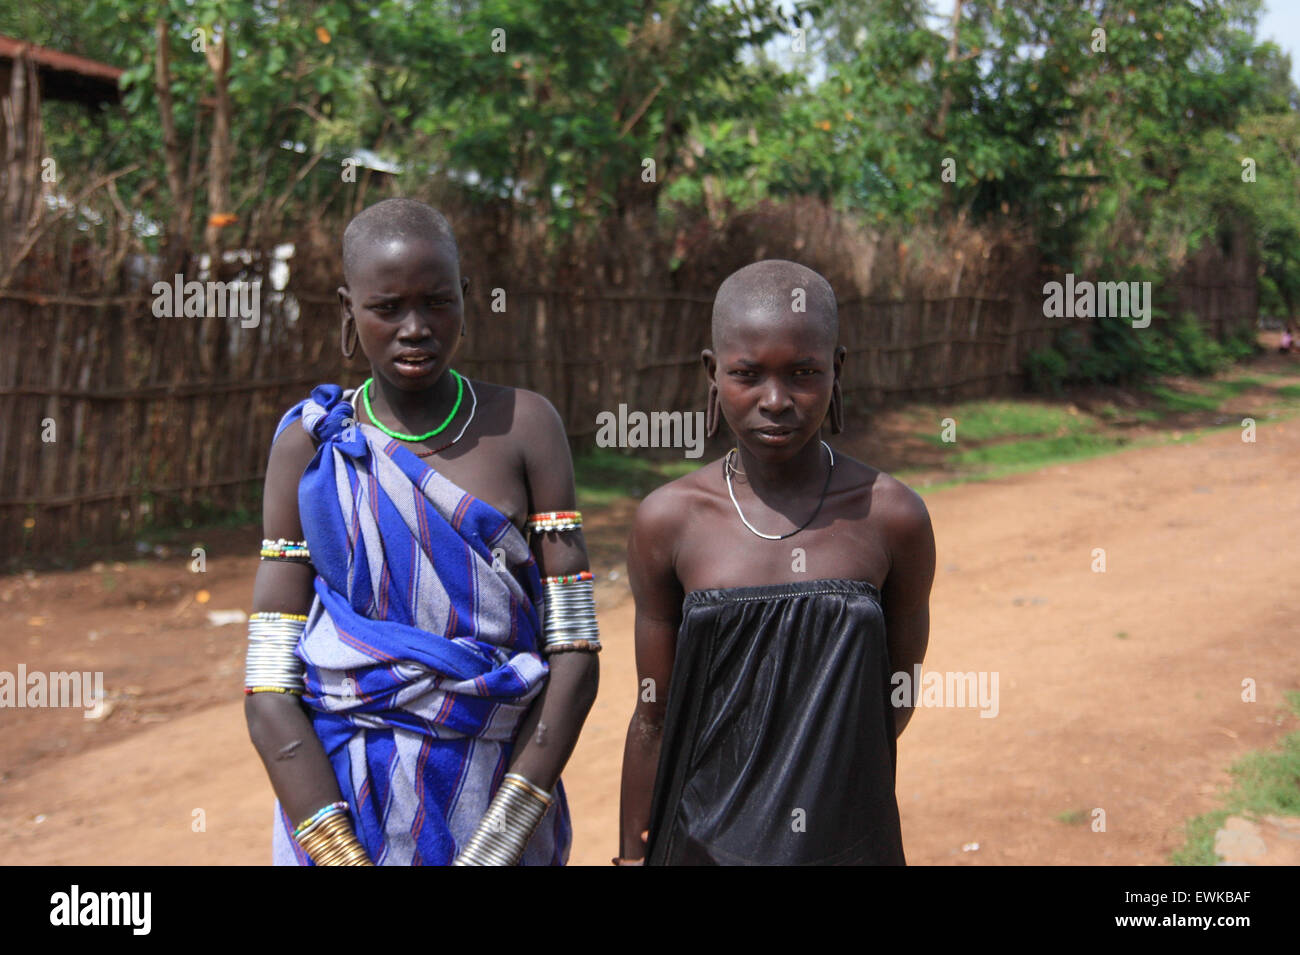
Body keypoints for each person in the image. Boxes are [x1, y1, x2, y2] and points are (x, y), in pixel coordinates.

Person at [244, 197, 600, 865]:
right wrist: (339, 851)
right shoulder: (310, 444)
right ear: (348, 309)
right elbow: (269, 680)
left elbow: (576, 649)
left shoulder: (526, 427)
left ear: (467, 298)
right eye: (387, 308)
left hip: (498, 801)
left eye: (437, 303)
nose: (416, 328)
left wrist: (498, 840)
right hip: (343, 806)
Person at [617, 259, 935, 865]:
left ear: (837, 370)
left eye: (803, 373)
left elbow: (895, 692)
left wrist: (815, 781)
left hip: (844, 843)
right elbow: (653, 716)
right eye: (747, 374)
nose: (776, 400)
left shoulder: (892, 517)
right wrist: (632, 856)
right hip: (702, 847)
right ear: (712, 374)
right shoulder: (669, 521)